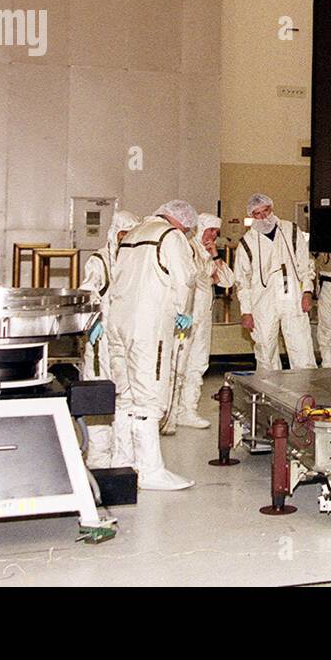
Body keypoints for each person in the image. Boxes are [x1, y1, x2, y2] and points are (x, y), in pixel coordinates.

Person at [104, 200, 199, 491]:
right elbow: (186, 278)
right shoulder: (170, 236)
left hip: (118, 324)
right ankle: (149, 471)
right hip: (148, 329)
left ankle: (121, 462)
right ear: (182, 222)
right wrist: (184, 311)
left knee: (125, 396)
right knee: (148, 397)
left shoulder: (133, 233)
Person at [163, 212, 236, 433]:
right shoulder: (187, 248)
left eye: (216, 232)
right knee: (179, 365)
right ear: (201, 227)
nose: (212, 235)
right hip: (185, 316)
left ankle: (188, 410)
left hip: (203, 317)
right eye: (210, 230)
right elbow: (191, 277)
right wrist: (208, 276)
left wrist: (215, 255)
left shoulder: (209, 254)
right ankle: (170, 412)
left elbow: (228, 281)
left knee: (197, 364)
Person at [79, 209, 139, 468]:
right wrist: (92, 323)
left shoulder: (134, 262)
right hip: (101, 341)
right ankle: (98, 456)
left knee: (126, 396)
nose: (126, 240)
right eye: (123, 235)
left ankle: (123, 455)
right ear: (114, 233)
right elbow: (88, 292)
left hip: (125, 340)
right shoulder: (99, 261)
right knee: (99, 394)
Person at [234, 194, 315, 371]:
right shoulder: (247, 242)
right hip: (262, 302)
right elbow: (242, 281)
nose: (263, 217)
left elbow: (305, 265)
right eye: (257, 214)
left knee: (301, 347)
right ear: (251, 216)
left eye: (266, 211)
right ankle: (269, 392)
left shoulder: (291, 231)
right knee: (265, 349)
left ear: (272, 208)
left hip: (292, 297)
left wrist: (307, 292)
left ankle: (304, 393)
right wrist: (246, 311)